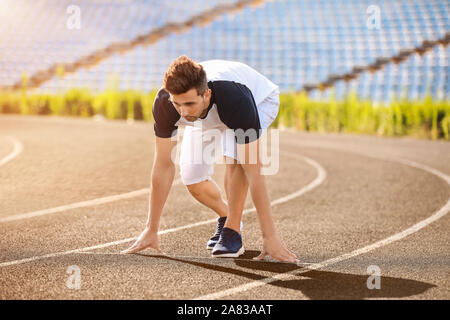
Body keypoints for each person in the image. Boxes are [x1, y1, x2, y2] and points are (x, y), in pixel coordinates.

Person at [121, 55, 298, 263]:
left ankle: (233, 230)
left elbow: (253, 171)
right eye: (177, 104)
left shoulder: (236, 98)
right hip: (206, 115)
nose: (183, 112)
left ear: (207, 94)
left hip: (258, 100)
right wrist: (151, 228)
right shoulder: (166, 104)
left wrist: (270, 237)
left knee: (235, 160)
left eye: (188, 103)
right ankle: (225, 215)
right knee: (192, 178)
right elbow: (163, 165)